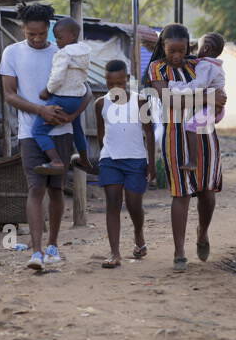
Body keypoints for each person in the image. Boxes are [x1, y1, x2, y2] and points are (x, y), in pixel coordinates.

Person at [0, 3, 91, 271]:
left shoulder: (64, 52)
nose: (37, 39)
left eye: (41, 34)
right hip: (30, 132)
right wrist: (41, 110)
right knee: (35, 189)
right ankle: (36, 252)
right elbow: (9, 94)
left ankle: (53, 245)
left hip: (61, 131)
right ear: (23, 30)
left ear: (49, 28)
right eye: (31, 35)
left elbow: (85, 92)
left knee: (56, 189)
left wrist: (72, 118)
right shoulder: (12, 53)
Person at [146, 24, 227, 272]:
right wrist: (206, 97)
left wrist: (211, 98)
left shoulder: (199, 64)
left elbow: (220, 95)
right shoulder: (156, 68)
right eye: (172, 51)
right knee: (180, 193)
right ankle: (179, 251)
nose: (177, 56)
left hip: (204, 132)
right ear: (163, 47)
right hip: (175, 135)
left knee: (207, 191)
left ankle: (202, 234)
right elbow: (168, 99)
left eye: (182, 51)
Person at [94, 59, 156, 268]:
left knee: (134, 204)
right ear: (106, 82)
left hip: (136, 159)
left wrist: (151, 164)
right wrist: (102, 155)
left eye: (120, 83)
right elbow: (101, 132)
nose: (115, 88)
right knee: (112, 203)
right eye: (111, 84)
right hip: (110, 159)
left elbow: (149, 133)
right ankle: (114, 253)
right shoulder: (101, 104)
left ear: (127, 80)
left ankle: (139, 234)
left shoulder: (140, 102)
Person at [32, 17, 93, 175]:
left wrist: (47, 91)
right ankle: (84, 158)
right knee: (77, 127)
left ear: (72, 36)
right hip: (77, 99)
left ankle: (55, 161)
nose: (57, 41)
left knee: (38, 130)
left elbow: (57, 77)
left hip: (61, 98)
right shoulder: (84, 52)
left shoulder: (63, 54)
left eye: (59, 37)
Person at [168, 33, 226, 172]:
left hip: (213, 107)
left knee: (191, 126)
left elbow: (198, 85)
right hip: (214, 106)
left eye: (198, 47)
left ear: (205, 48)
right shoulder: (212, 64)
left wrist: (175, 86)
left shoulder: (206, 65)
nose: (195, 51)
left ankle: (193, 161)